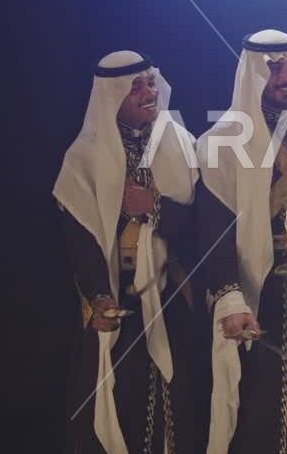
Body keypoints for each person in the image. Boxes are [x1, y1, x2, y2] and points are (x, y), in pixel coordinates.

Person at [196, 30, 287, 454]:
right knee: (263, 413)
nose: (285, 77)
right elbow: (213, 232)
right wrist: (229, 299)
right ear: (253, 74)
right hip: (258, 292)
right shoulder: (220, 142)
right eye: (274, 68)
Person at [54, 51, 208, 453]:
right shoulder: (84, 158)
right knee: (114, 411)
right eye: (135, 87)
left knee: (178, 412)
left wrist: (152, 207)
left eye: (150, 82)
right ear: (112, 96)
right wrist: (99, 296)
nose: (147, 93)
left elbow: (201, 228)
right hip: (115, 306)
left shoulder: (180, 143)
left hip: (169, 301)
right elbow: (81, 240)